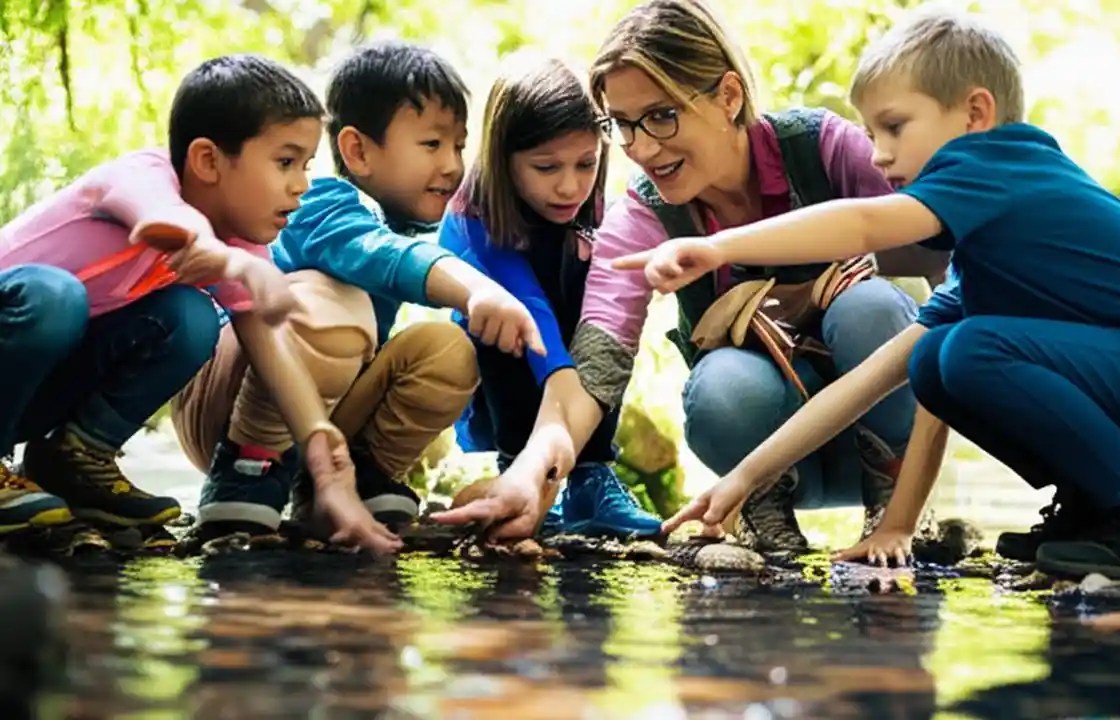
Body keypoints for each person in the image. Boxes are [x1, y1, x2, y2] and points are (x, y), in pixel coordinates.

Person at [637, 8, 1120, 579]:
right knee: (938, 360)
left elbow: (863, 223)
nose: (878, 156)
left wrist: (721, 247)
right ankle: (1109, 506)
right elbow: (889, 379)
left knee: (964, 351)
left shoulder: (998, 163)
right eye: (870, 133)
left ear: (974, 114)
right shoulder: (990, 244)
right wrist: (751, 481)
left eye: (894, 127)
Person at [432, 0, 949, 548]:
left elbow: (946, 250)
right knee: (722, 385)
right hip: (759, 456)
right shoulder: (639, 219)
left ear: (729, 96)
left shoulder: (823, 150)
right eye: (623, 125)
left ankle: (898, 509)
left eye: (661, 115)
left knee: (870, 308)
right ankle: (762, 516)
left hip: (885, 437)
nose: (642, 148)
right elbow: (593, 373)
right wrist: (532, 474)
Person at [0, 55, 389, 549]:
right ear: (207, 160)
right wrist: (236, 266)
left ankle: (74, 459)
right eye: (285, 162)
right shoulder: (141, 176)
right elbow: (164, 223)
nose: (301, 184)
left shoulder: (238, 244)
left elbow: (272, 351)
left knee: (189, 317)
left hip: (28, 393)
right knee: (55, 298)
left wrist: (323, 457)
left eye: (306, 165)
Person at [172, 41, 543, 543]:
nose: (453, 165)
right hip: (229, 398)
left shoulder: (416, 229)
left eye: (458, 146)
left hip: (319, 426)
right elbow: (381, 255)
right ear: (358, 151)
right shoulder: (322, 201)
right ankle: (249, 468)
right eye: (432, 145)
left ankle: (360, 473)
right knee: (331, 302)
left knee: (448, 349)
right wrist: (475, 290)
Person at [432, 57, 662, 540]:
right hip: (509, 354)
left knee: (602, 319)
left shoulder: (588, 209)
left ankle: (590, 474)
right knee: (502, 321)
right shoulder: (479, 216)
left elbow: (607, 325)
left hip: (568, 360)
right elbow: (527, 309)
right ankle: (520, 464)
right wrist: (559, 382)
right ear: (504, 159)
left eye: (586, 164)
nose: (569, 185)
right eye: (545, 167)